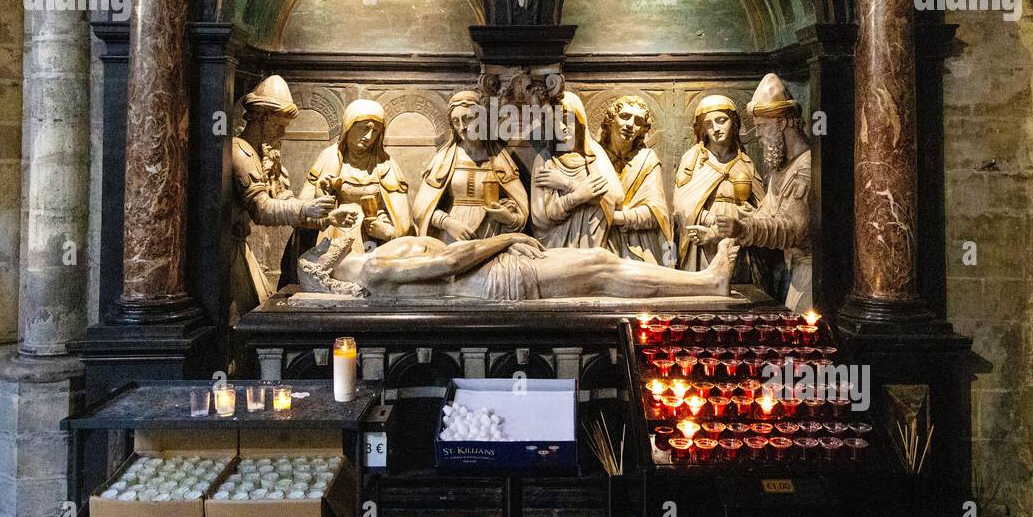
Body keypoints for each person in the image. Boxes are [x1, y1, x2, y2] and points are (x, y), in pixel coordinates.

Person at [297, 232, 741, 303]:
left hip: (489, 271)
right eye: (324, 245)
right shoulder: (374, 267)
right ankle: (707, 282)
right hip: (491, 281)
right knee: (601, 268)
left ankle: (703, 281)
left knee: (599, 264)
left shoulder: (373, 263)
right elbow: (451, 260)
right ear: (326, 266)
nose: (333, 237)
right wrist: (507, 237)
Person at [229, 75, 355, 321]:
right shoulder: (240, 152)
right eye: (278, 126)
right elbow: (262, 209)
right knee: (244, 317)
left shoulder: (264, 155)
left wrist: (328, 216)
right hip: (230, 256)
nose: (282, 133)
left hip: (241, 253)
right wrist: (307, 209)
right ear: (260, 119)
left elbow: (285, 200)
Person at [279, 98, 410, 286]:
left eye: (375, 131)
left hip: (372, 242)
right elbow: (301, 210)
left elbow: (402, 219)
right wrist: (320, 194)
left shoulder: (386, 166)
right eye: (364, 128)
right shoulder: (328, 158)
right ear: (349, 126)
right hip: (333, 237)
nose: (369, 136)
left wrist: (388, 231)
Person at [716, 73, 814, 311]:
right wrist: (720, 230)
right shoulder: (781, 168)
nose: (757, 135)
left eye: (761, 126)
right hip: (790, 270)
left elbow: (792, 229)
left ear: (780, 123)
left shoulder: (808, 168)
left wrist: (746, 229)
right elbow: (767, 215)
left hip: (811, 277)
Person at [412, 90, 528, 243]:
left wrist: (509, 218)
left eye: (468, 119)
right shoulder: (444, 159)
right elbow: (421, 209)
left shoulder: (500, 160)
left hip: (492, 236)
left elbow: (521, 210)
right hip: (453, 237)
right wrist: (447, 223)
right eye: (455, 121)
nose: (462, 127)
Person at [675, 94, 766, 284]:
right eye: (708, 124)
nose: (716, 129)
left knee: (738, 290)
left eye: (721, 120)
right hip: (703, 241)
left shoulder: (745, 163)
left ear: (733, 123)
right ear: (702, 130)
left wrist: (751, 215)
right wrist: (713, 223)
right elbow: (682, 207)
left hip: (738, 242)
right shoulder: (693, 160)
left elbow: (764, 209)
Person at [530, 91, 624, 249]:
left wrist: (568, 184)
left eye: (566, 119)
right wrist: (576, 197)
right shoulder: (545, 160)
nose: (561, 128)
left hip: (594, 247)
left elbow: (615, 198)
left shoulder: (593, 154)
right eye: (554, 122)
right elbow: (541, 218)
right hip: (556, 246)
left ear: (580, 120)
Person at [598, 95, 673, 265]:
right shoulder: (594, 156)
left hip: (638, 246)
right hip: (598, 240)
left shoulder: (647, 159)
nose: (630, 124)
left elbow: (656, 214)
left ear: (643, 129)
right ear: (610, 120)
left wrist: (615, 217)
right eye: (624, 116)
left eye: (638, 121)